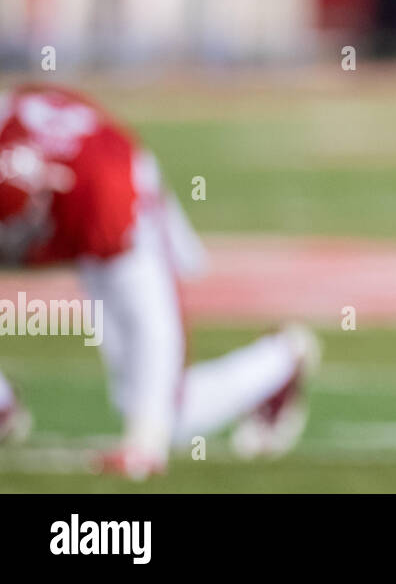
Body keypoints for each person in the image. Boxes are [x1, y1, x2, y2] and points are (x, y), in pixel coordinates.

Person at [0, 84, 319, 479]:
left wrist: (144, 443)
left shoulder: (105, 201)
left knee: (166, 412)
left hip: (122, 193)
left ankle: (280, 360)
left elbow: (153, 326)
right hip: (82, 170)